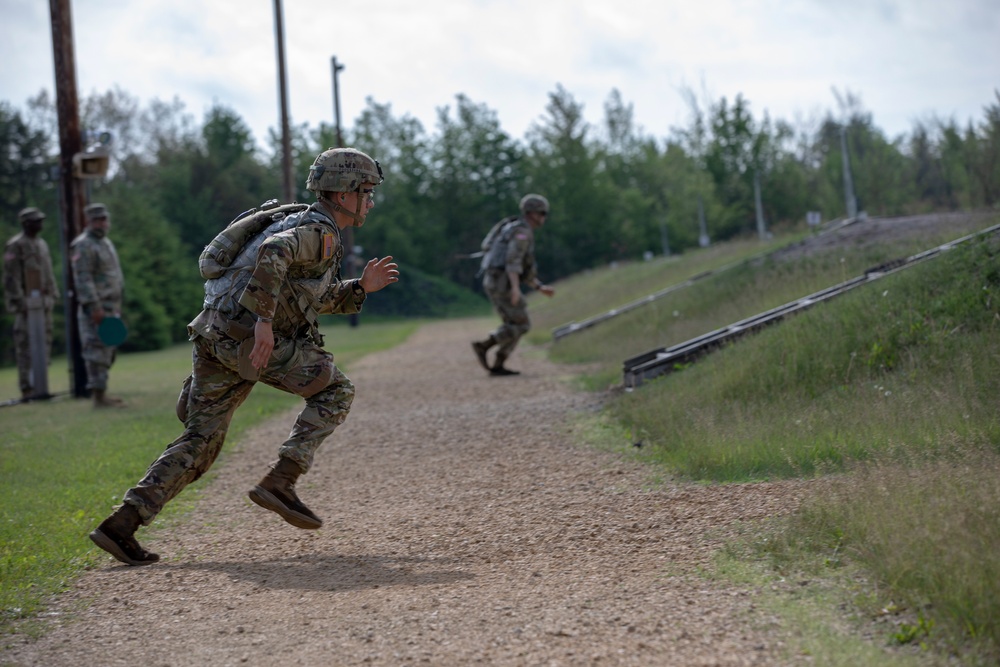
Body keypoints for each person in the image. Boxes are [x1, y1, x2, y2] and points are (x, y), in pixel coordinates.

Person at [89, 147, 399, 566]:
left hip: (216, 334)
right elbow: (274, 252)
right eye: (366, 191)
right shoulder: (319, 233)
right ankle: (281, 481)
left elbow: (310, 297)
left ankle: (121, 524)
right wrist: (264, 324)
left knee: (201, 441)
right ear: (343, 193)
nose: (371, 201)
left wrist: (360, 288)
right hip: (249, 341)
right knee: (336, 390)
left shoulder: (308, 226)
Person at [472, 193, 555, 376]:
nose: (544, 217)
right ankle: (485, 345)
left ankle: (498, 363)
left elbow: (524, 268)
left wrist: (539, 287)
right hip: (503, 284)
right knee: (522, 325)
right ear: (532, 213)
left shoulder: (514, 228)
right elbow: (513, 261)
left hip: (497, 282)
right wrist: (515, 288)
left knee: (515, 323)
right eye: (542, 213)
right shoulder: (522, 232)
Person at [71, 203, 126, 407]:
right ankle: (99, 397)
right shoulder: (83, 244)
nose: (102, 223)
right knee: (95, 351)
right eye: (97, 220)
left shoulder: (105, 243)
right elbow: (83, 279)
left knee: (107, 351)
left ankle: (102, 392)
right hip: (96, 308)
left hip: (112, 306)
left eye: (104, 219)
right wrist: (94, 307)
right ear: (89, 221)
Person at [3, 207, 58, 400]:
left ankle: (41, 385)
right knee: (26, 346)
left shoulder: (42, 244)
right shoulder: (16, 245)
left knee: (45, 343)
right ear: (26, 224)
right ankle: (27, 388)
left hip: (43, 304)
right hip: (26, 306)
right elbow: (11, 278)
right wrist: (20, 303)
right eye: (36, 221)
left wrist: (53, 295)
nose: (40, 224)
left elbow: (48, 272)